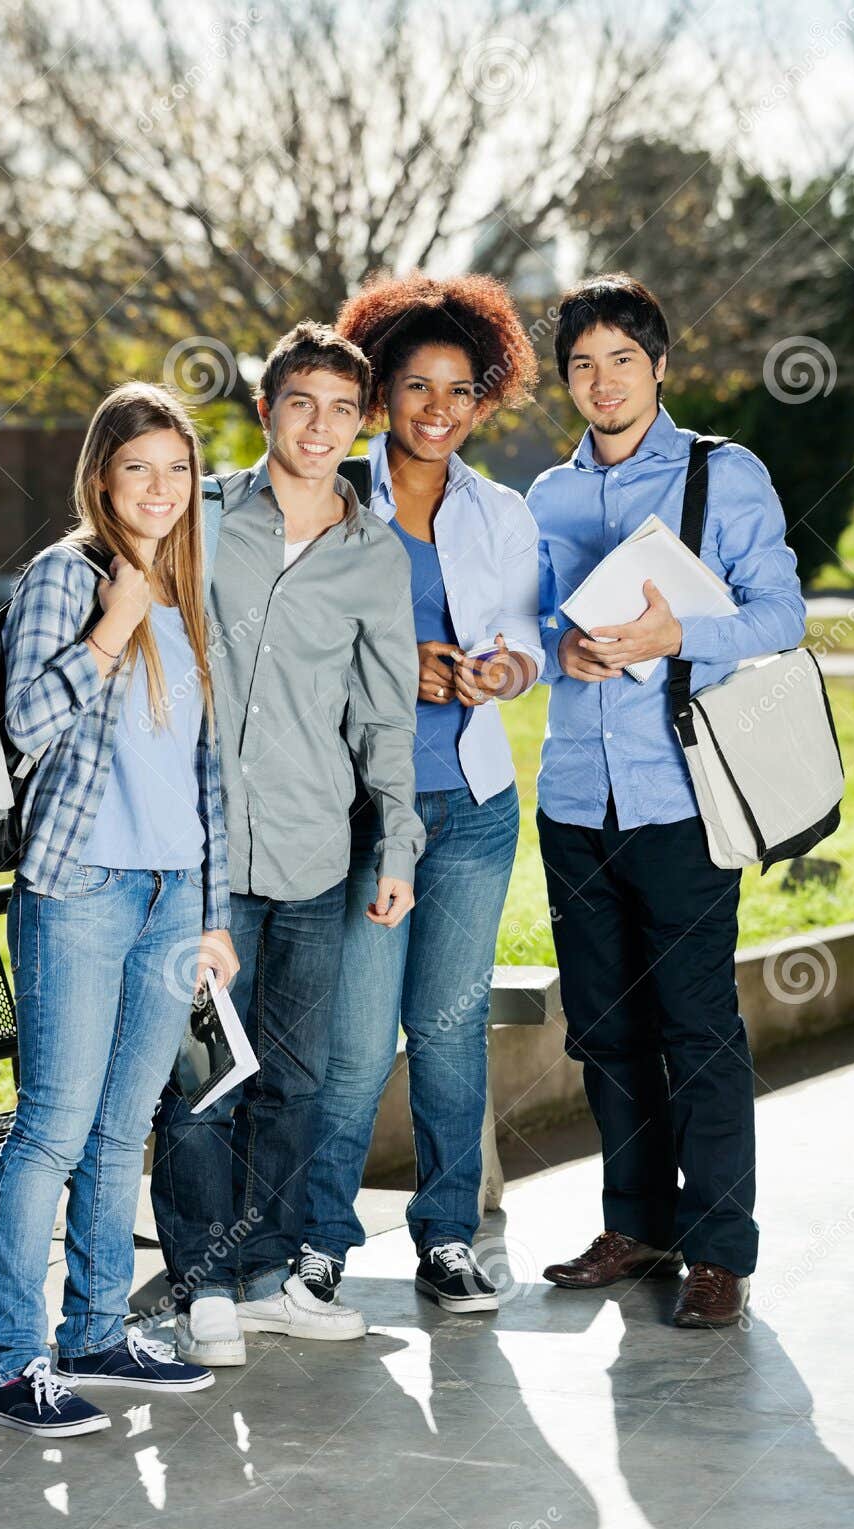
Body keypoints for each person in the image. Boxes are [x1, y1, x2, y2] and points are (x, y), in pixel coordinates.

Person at [526, 274, 805, 1328]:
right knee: (602, 1029)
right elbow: (525, 638)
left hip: (682, 798)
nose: (600, 382)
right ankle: (634, 1225)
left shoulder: (719, 477)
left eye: (620, 361)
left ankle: (717, 1249)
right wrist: (559, 649)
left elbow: (779, 613)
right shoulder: (547, 498)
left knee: (695, 1029)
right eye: (580, 365)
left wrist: (671, 635)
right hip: (571, 802)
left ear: (657, 366)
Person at [150, 321, 425, 1367]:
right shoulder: (205, 515)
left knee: (296, 1080)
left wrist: (396, 845)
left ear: (362, 423)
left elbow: (384, 715)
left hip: (314, 854)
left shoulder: (373, 557)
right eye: (298, 403)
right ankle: (199, 1284)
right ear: (265, 410)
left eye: (341, 410)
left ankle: (265, 1275)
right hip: (198, 861)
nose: (319, 427)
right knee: (203, 1077)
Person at [0, 383, 238, 1436]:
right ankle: (10, 1360)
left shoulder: (187, 592)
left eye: (177, 469)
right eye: (139, 468)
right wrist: (108, 630)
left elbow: (207, 772)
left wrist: (214, 910)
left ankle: (94, 1327)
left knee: (125, 1122)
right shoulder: (66, 577)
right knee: (51, 1127)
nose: (160, 489)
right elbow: (23, 718)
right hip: (82, 887)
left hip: (173, 894)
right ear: (101, 477)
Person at [298, 272, 544, 1315]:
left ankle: (446, 1238)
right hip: (364, 813)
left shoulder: (501, 511)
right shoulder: (326, 498)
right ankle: (316, 1244)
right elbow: (296, 646)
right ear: (377, 393)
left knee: (448, 1029)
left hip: (475, 807)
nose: (436, 410)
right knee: (355, 1042)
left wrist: (504, 672)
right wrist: (396, 667)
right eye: (413, 387)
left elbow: (527, 635)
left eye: (458, 389)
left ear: (481, 399)